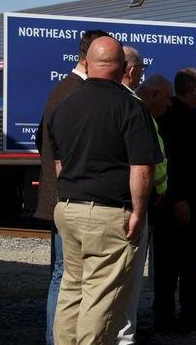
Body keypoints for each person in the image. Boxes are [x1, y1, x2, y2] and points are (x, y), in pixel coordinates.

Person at [49, 35, 161, 344]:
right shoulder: (131, 107)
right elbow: (142, 167)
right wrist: (139, 212)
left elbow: (59, 163)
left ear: (86, 64)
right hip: (110, 214)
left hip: (68, 208)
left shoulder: (65, 105)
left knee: (72, 289)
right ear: (124, 68)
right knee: (101, 295)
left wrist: (68, 199)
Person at [34, 29, 108, 345]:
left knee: (64, 274)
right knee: (66, 276)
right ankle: (57, 338)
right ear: (90, 58)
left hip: (61, 195)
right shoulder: (74, 92)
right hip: (69, 196)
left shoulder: (62, 90)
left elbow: (41, 139)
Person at [152, 68, 196, 332]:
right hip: (176, 205)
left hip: (192, 201)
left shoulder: (191, 116)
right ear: (192, 89)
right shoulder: (172, 118)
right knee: (169, 263)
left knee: (193, 261)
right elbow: (170, 162)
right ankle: (166, 317)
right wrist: (178, 198)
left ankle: (192, 312)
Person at [122, 75, 172, 343]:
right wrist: (142, 208)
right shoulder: (137, 112)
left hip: (136, 200)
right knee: (126, 279)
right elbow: (147, 162)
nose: (169, 104)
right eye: (166, 97)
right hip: (135, 203)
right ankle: (123, 336)